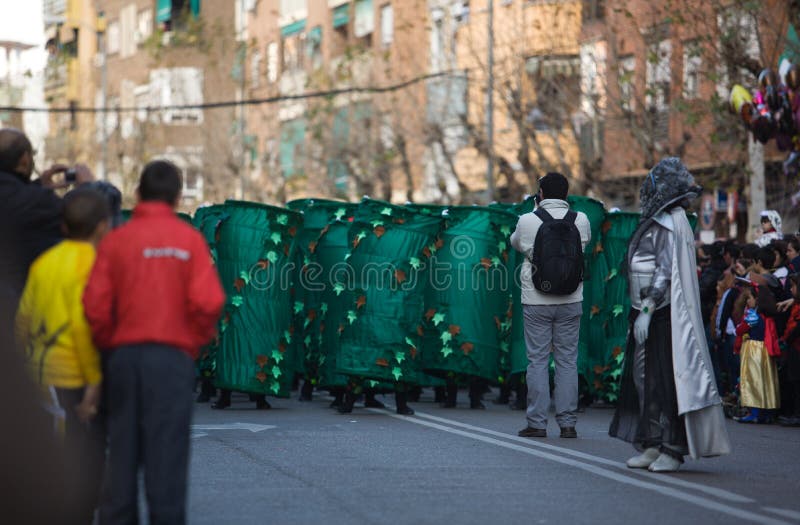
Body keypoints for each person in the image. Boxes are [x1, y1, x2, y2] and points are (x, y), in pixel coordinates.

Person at [83, 160, 225, 525]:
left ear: (137, 194)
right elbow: (209, 302)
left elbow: (95, 304)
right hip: (172, 360)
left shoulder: (118, 240)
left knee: (122, 457)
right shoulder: (189, 240)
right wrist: (190, 343)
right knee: (167, 465)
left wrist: (110, 344)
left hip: (124, 358)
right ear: (178, 198)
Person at [609, 157, 730, 473]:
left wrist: (648, 309)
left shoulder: (670, 222)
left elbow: (665, 271)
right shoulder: (661, 220)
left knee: (664, 382)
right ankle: (652, 441)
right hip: (644, 312)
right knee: (644, 380)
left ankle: (672, 447)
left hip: (662, 316)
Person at [15, 188, 111, 523]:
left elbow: (23, 320)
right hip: (75, 374)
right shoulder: (94, 265)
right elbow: (83, 328)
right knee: (84, 450)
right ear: (102, 227)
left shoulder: (44, 262)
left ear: (65, 227)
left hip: (41, 372)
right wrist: (94, 382)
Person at [511, 172, 591, 439]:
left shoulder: (527, 220)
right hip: (571, 299)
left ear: (540, 194)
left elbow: (516, 243)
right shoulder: (581, 220)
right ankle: (568, 423)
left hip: (536, 300)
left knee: (537, 361)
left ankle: (537, 422)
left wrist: (535, 210)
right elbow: (583, 247)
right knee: (568, 361)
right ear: (567, 194)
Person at [0, 128, 93, 328]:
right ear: (24, 159)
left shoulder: (30, 199)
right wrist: (88, 189)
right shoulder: (38, 203)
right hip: (19, 317)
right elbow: (84, 223)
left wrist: (36, 186)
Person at [732, 284, 781, 424]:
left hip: (753, 351)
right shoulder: (766, 317)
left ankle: (754, 413)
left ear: (757, 299)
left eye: (750, 298)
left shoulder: (753, 317)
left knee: (753, 381)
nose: (748, 301)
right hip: (764, 351)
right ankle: (764, 414)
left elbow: (740, 330)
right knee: (764, 381)